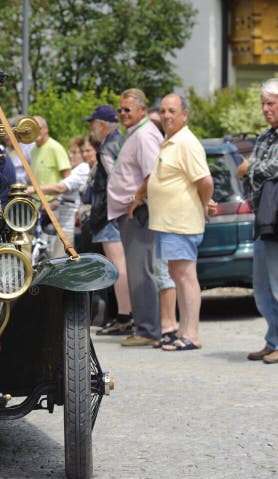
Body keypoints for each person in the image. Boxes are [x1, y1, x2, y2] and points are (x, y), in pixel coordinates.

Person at [142, 94, 214, 351]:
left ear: (184, 115)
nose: (166, 116)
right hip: (169, 223)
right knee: (176, 274)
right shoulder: (170, 140)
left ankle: (191, 334)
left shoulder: (186, 142)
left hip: (181, 222)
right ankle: (182, 331)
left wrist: (203, 204)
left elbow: (205, 181)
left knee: (185, 276)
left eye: (172, 111)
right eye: (163, 111)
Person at [107, 88, 164, 347]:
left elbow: (153, 174)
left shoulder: (144, 135)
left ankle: (148, 330)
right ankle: (146, 327)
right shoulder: (136, 133)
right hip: (129, 213)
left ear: (142, 109)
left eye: (127, 109)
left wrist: (137, 198)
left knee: (140, 272)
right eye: (120, 109)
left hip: (138, 214)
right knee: (136, 270)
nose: (122, 113)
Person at [242, 78, 278, 364]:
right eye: (263, 104)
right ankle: (273, 341)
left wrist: (250, 168)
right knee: (262, 290)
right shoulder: (263, 137)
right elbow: (256, 178)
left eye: (271, 103)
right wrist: (255, 172)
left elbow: (273, 167)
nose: (265, 109)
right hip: (261, 220)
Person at [83, 105, 133, 336]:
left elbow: (115, 180)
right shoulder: (123, 141)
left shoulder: (106, 147)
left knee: (117, 265)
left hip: (109, 213)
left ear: (102, 125)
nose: (92, 129)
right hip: (121, 212)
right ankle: (126, 314)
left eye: (93, 124)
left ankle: (124, 316)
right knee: (124, 264)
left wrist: (110, 209)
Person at [27, 135, 90, 257]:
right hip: (64, 226)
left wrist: (33, 189)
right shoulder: (74, 171)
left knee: (59, 262)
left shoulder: (83, 169)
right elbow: (62, 197)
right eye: (70, 152)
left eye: (74, 152)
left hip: (71, 228)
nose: (70, 155)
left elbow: (60, 188)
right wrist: (48, 205)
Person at [30, 115, 71, 189]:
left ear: (46, 129)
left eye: (39, 128)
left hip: (52, 196)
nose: (36, 131)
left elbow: (67, 177)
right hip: (35, 196)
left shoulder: (55, 148)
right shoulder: (33, 150)